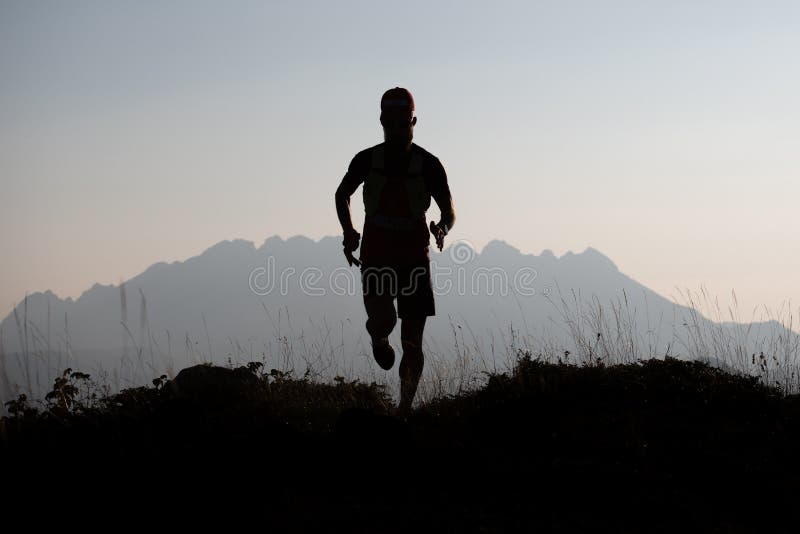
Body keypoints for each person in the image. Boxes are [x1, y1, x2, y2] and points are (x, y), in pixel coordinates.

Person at [334, 87, 456, 415]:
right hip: (376, 256)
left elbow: (449, 211)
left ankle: (404, 410)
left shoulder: (429, 165)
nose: (398, 130)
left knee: (412, 343)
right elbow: (341, 194)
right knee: (385, 318)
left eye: (403, 124)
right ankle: (378, 337)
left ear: (414, 121)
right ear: (382, 122)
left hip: (415, 258)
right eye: (392, 124)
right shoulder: (366, 160)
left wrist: (442, 228)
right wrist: (348, 233)